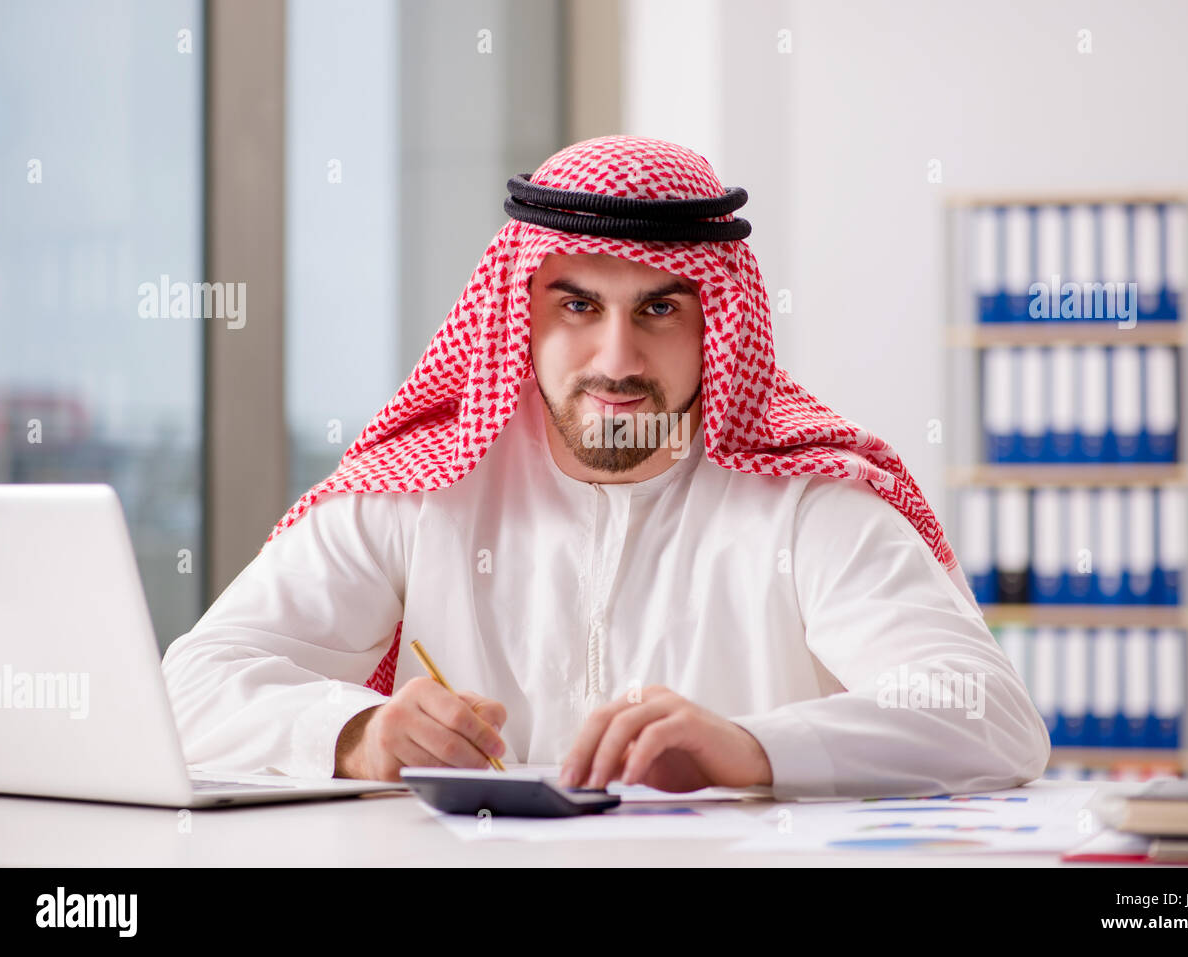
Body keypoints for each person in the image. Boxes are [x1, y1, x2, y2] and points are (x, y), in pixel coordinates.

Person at [161, 135, 1050, 799]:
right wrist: (356, 732)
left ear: (716, 323)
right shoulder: (424, 492)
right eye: (577, 304)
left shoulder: (808, 505)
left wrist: (751, 748)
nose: (617, 358)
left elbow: (989, 713)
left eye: (660, 308)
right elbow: (187, 685)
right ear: (520, 313)